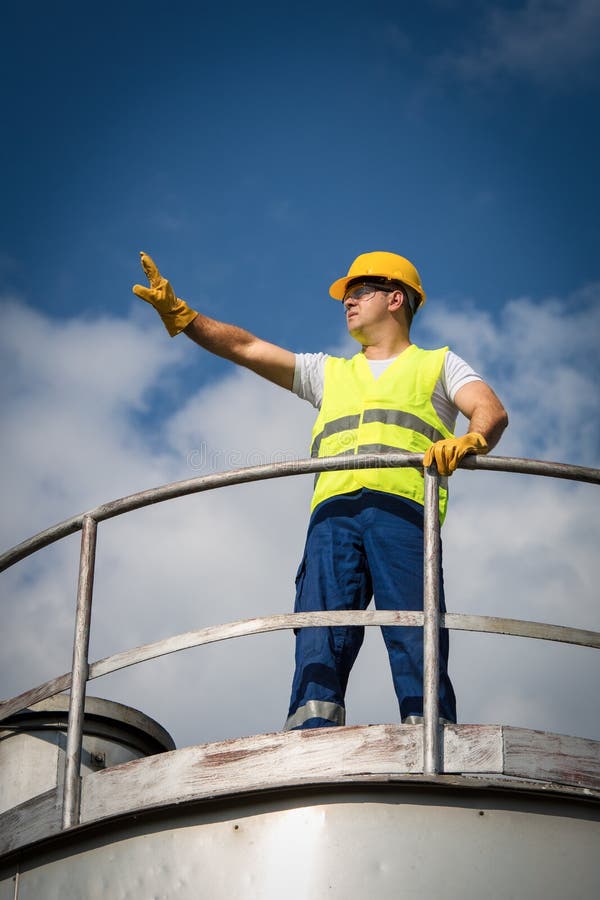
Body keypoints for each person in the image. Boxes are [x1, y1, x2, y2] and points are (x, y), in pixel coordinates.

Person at [133, 250, 508, 729]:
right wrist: (184, 318)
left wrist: (472, 439)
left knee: (416, 628)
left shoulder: (439, 365)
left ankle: (429, 731)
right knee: (317, 632)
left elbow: (489, 410)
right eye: (346, 296)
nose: (347, 301)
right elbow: (247, 348)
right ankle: (312, 732)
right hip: (332, 520)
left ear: (396, 298)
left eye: (359, 292)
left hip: (404, 514)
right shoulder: (329, 373)